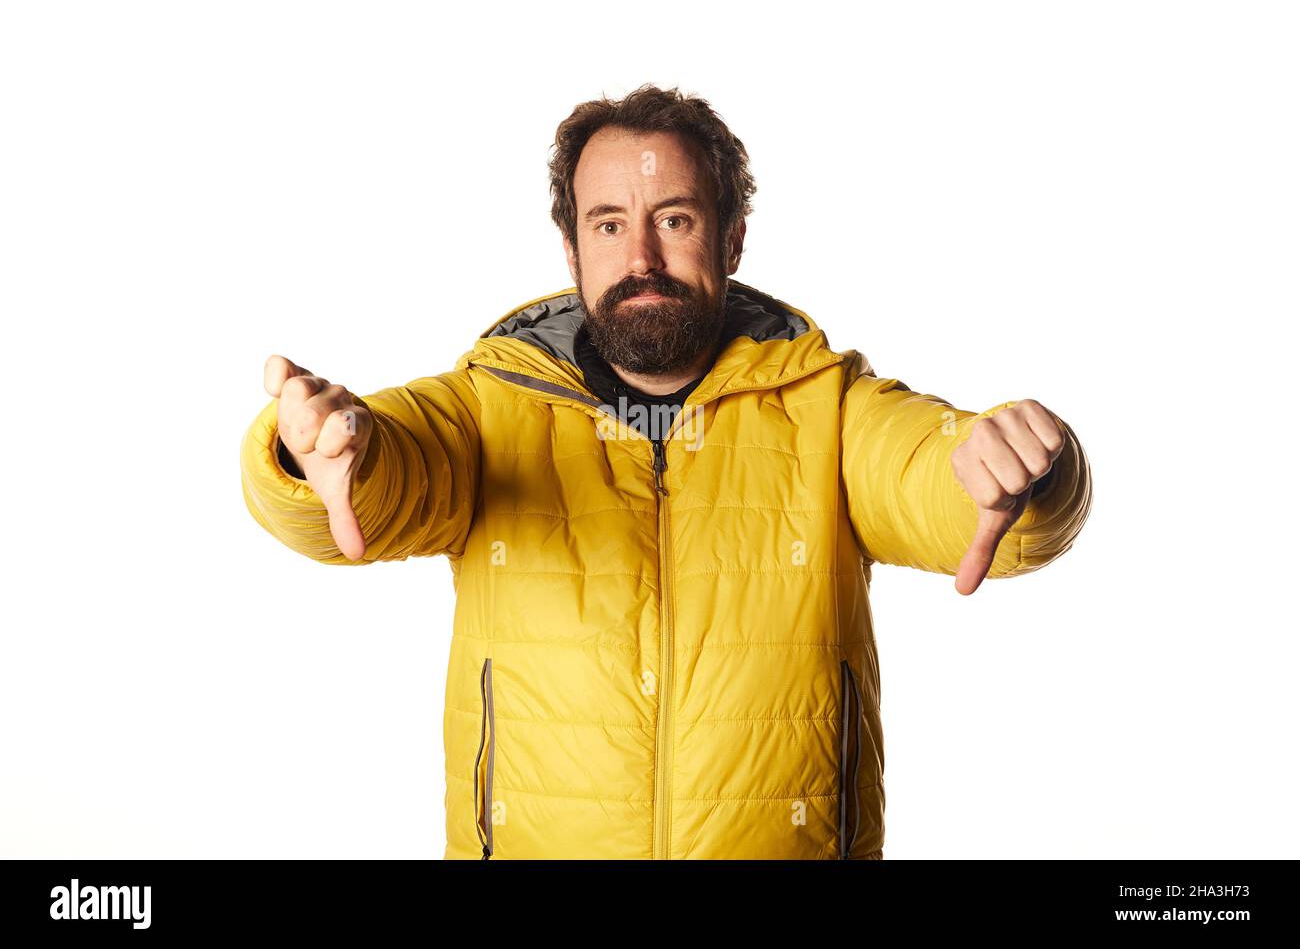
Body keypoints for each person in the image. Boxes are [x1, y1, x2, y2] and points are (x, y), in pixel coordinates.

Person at [240, 83, 1093, 860]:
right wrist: (310, 458)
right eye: (608, 223)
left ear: (732, 238)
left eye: (675, 218)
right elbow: (390, 468)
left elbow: (928, 469)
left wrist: (1022, 475)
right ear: (572, 251)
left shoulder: (830, 407)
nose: (639, 254)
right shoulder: (487, 408)